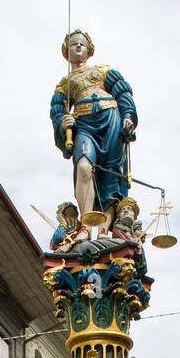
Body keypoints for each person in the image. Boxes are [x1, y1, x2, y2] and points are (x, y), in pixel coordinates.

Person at [51, 30, 137, 230]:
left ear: (89, 50)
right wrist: (63, 125)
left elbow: (122, 91)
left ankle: (105, 230)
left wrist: (127, 116)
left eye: (82, 44)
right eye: (74, 44)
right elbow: (57, 112)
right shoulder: (64, 84)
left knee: (110, 174)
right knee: (83, 168)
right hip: (84, 126)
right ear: (66, 52)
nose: (78, 47)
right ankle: (86, 227)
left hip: (110, 119)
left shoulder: (103, 71)